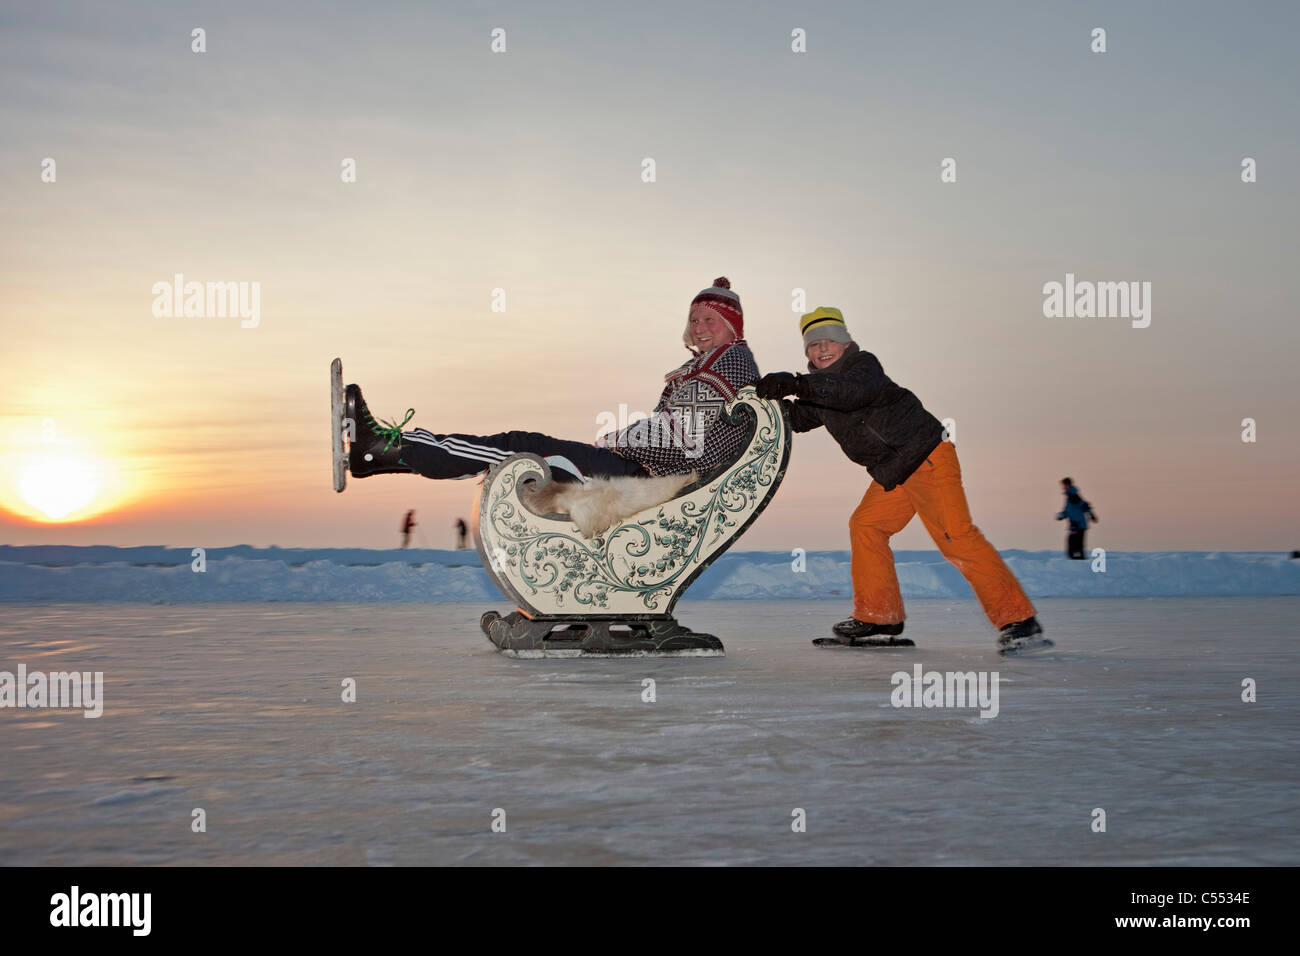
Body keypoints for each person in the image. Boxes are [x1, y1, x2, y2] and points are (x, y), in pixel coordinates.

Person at [756, 307, 1043, 648]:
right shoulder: (819, 391)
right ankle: (880, 616)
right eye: (813, 345)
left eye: (830, 340)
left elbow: (849, 392)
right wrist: (758, 410)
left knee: (955, 537)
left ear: (847, 344)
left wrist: (795, 383)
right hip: (895, 473)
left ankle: (1019, 620)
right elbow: (795, 418)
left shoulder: (863, 369)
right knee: (866, 525)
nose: (822, 349)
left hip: (926, 458)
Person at [344, 278, 760, 485]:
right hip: (648, 468)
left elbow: (681, 436)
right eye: (694, 319)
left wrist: (614, 442)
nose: (700, 327)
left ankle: (392, 448)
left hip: (645, 475)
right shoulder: (710, 365)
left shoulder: (728, 363)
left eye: (710, 320)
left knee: (519, 448)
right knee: (520, 452)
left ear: (731, 328)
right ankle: (387, 455)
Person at [1056, 477, 1097, 559]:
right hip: (1075, 526)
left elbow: (1084, 505)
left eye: (1064, 485)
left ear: (1068, 485)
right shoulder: (1069, 496)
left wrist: (1092, 515)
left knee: (1075, 546)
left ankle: (1079, 564)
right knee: (1073, 547)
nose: (1063, 487)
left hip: (1078, 525)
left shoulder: (1073, 496)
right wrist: (1062, 515)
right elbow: (1068, 511)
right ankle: (1078, 562)